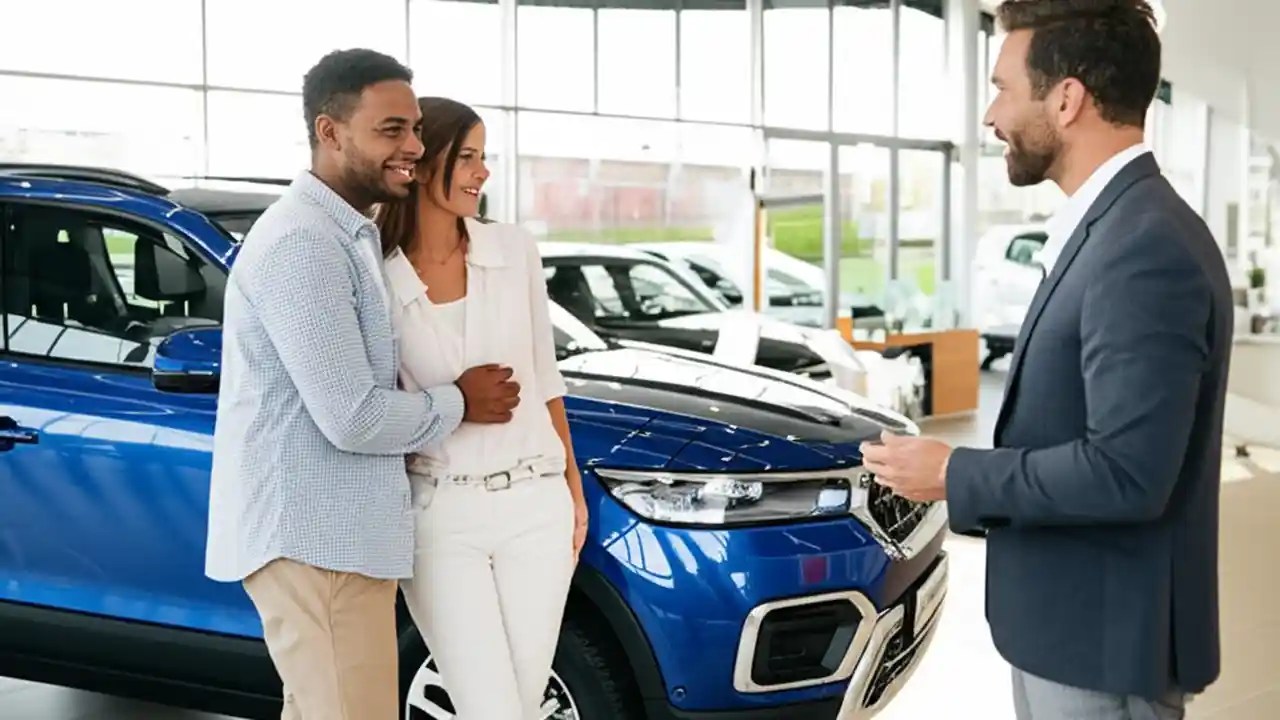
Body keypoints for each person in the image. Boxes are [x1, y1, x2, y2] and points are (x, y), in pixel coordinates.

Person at [859, 2, 1232, 719]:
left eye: (1003, 87)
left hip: (1102, 645)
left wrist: (951, 471)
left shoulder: (1143, 246)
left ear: (1067, 99)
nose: (991, 116)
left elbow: (1128, 473)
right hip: (1069, 631)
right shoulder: (1114, 227)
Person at [204, 51, 520, 720]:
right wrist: (461, 400)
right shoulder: (304, 245)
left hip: (341, 539)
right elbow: (354, 417)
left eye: (414, 130)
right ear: (330, 131)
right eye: (391, 130)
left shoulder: (346, 234)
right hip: (316, 542)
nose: (413, 146)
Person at [374, 96, 589, 720]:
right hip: (442, 514)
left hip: (536, 506)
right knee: (492, 708)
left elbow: (546, 378)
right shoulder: (377, 275)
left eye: (483, 156)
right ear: (420, 162)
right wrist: (457, 401)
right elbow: (371, 404)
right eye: (466, 156)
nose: (482, 172)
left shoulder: (514, 249)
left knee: (519, 704)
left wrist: (571, 491)